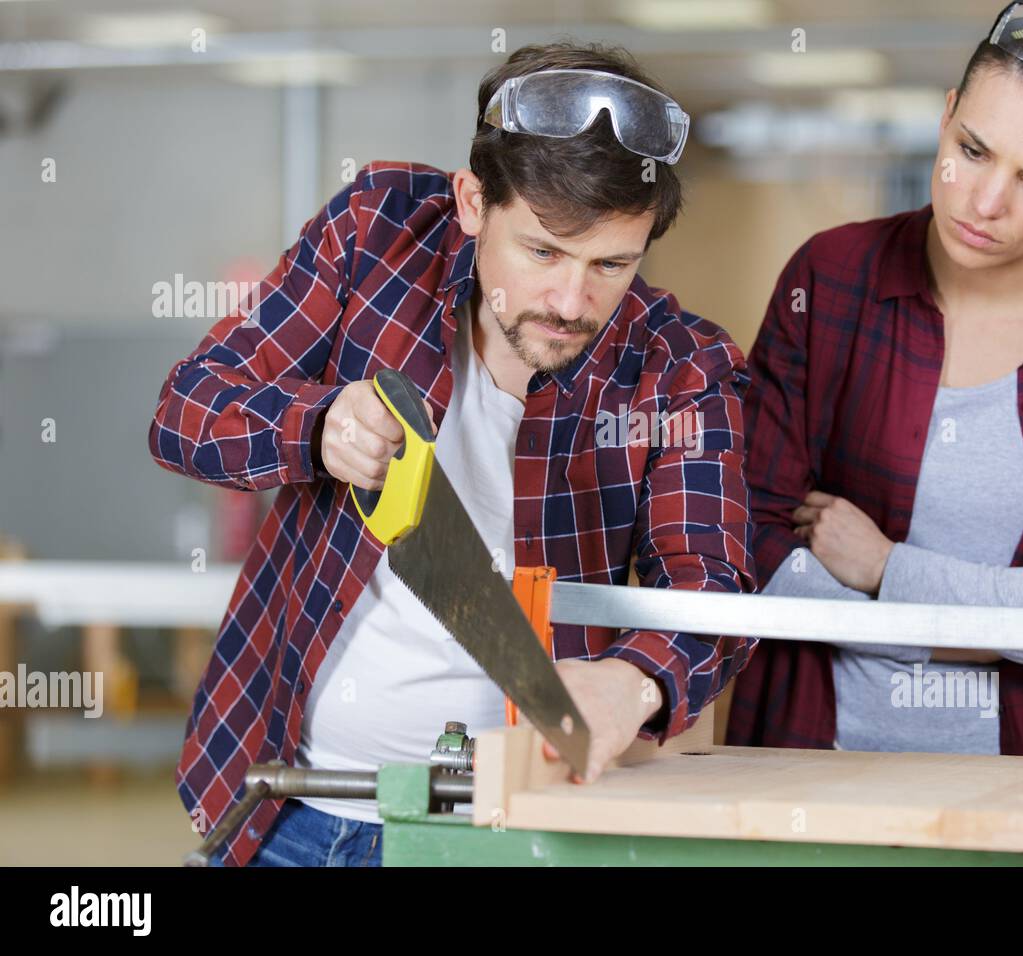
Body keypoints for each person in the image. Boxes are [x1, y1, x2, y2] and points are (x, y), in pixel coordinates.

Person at [150, 42, 755, 867]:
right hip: (281, 800)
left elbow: (713, 587)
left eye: (611, 264)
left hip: (507, 832)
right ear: (472, 202)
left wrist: (636, 682)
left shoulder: (681, 368)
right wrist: (317, 423)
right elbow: (187, 411)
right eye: (542, 252)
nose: (572, 303)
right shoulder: (378, 234)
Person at [727, 1, 1023, 759]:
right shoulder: (831, 279)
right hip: (812, 761)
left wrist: (886, 569)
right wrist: (1010, 619)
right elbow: (746, 538)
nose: (985, 204)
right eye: (973, 150)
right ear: (946, 117)